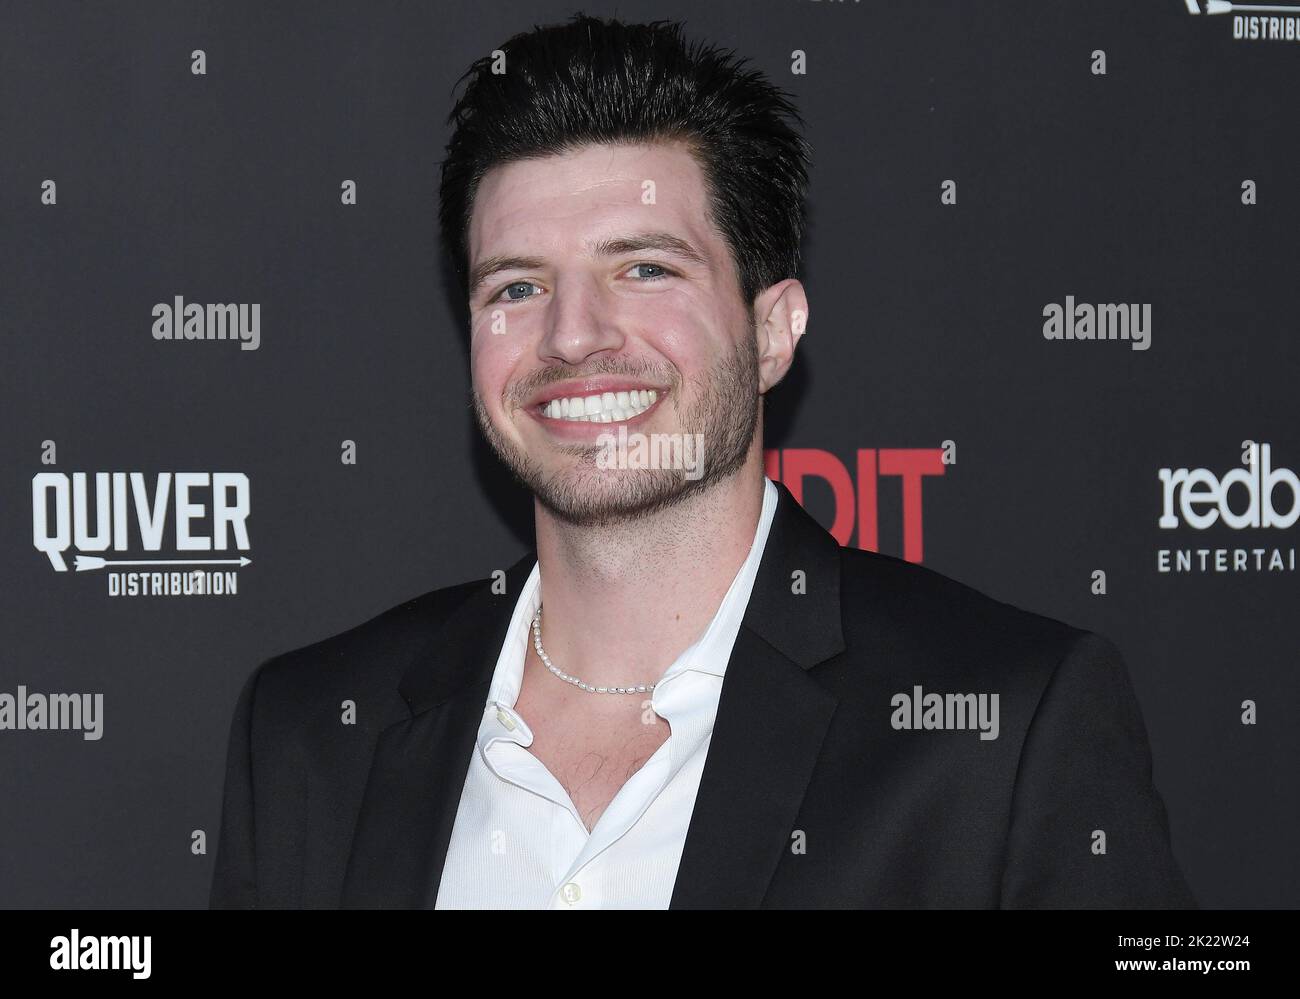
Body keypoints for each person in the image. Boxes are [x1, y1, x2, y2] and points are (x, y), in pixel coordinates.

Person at [209, 14, 1196, 909]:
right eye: (516, 286)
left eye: (644, 269)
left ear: (772, 331)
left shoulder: (1003, 732)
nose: (573, 334)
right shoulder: (311, 734)